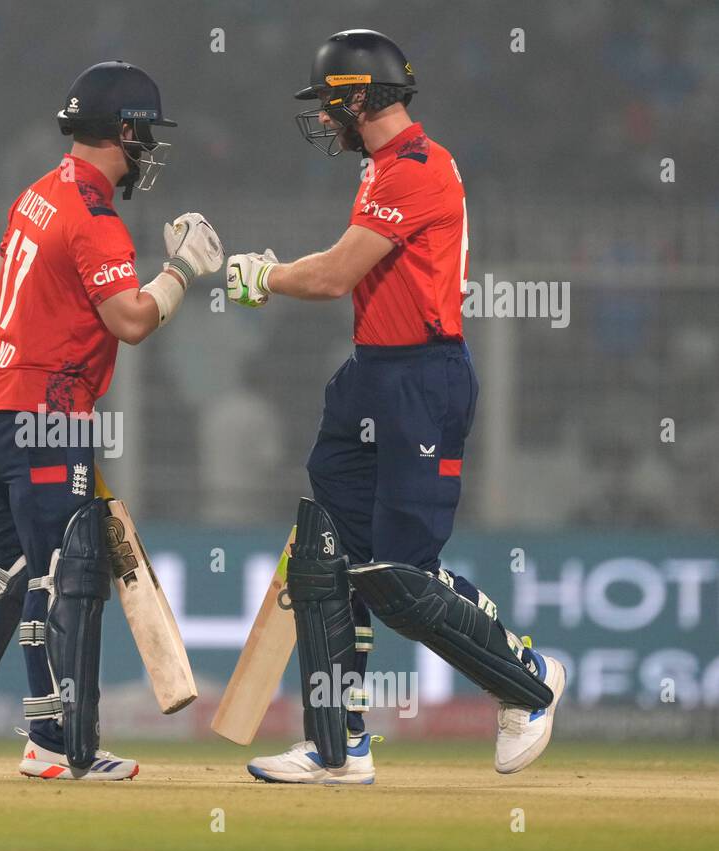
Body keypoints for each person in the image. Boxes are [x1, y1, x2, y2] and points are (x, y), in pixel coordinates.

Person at [225, 30, 564, 784]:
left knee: (400, 577)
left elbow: (335, 275)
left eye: (329, 103)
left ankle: (529, 682)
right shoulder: (386, 167)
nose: (324, 119)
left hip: (423, 380)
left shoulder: (416, 168)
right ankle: (336, 747)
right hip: (373, 375)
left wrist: (265, 274)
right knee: (330, 561)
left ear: (358, 98)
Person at [0, 60, 224, 780]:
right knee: (57, 576)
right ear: (123, 132)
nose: (149, 151)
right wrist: (182, 270)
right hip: (45, 410)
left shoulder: (37, 193)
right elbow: (130, 320)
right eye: (145, 136)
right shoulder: (94, 216)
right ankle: (55, 746)